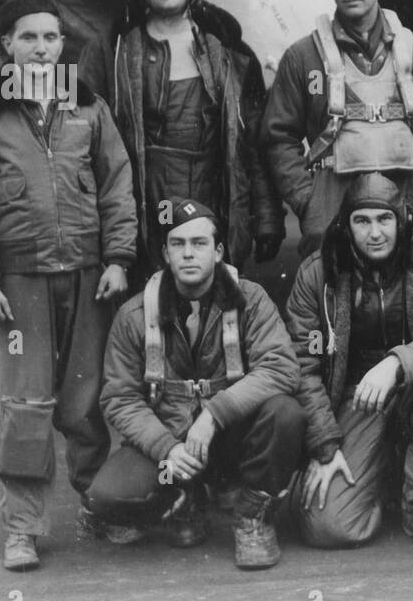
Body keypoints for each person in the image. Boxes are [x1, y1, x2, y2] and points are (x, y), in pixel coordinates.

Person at [0, 0, 138, 571]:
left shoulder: (89, 107)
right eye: (28, 38)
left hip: (85, 275)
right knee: (26, 403)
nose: (41, 49)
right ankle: (22, 528)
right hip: (19, 283)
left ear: (62, 44)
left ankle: (99, 504)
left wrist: (119, 258)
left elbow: (116, 186)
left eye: (51, 38)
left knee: (86, 401)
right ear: (6, 45)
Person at [87, 199, 305, 569]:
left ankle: (252, 515)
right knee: (108, 497)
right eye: (178, 244)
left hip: (230, 441)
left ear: (218, 251)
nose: (189, 254)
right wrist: (166, 448)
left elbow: (281, 368)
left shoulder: (250, 300)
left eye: (199, 243)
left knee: (285, 414)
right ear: (165, 253)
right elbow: (120, 397)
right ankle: (185, 498)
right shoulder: (134, 315)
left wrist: (214, 414)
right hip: (171, 446)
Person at [284, 172, 413, 551]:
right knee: (331, 527)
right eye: (362, 221)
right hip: (355, 403)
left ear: (402, 219)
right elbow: (301, 364)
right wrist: (324, 445)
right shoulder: (318, 273)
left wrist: (397, 362)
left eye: (384, 219)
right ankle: (381, 480)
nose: (374, 233)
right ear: (347, 225)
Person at [77, 0, 284, 276]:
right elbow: (81, 140)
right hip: (141, 200)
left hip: (212, 195)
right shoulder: (111, 52)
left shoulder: (228, 53)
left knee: (213, 306)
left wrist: (266, 215)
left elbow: (252, 143)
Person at [261, 0, 413, 257]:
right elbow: (278, 138)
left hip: (406, 193)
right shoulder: (303, 57)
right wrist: (308, 199)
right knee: (332, 297)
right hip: (332, 195)